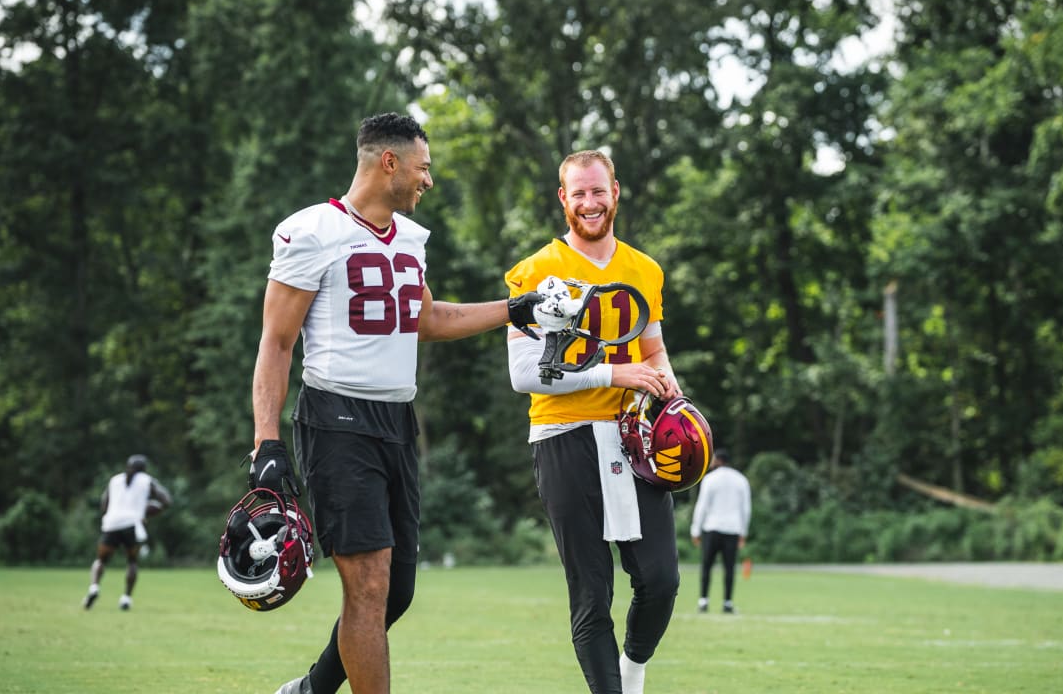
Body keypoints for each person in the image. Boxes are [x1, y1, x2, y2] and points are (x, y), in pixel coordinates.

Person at [252, 112, 546, 694]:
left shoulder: (410, 239)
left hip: (395, 420)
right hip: (336, 417)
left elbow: (427, 319)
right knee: (366, 588)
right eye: (423, 167)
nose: (428, 181)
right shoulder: (312, 231)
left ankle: (312, 688)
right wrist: (266, 440)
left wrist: (517, 307)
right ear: (390, 162)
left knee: (397, 591)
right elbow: (277, 342)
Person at [506, 149, 685, 694]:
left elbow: (652, 352)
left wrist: (669, 387)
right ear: (563, 198)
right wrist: (616, 374)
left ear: (615, 192)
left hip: (635, 439)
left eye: (598, 191)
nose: (589, 202)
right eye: (578, 193)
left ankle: (632, 670)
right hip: (563, 436)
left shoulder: (645, 269)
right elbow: (522, 373)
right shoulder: (535, 271)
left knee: (660, 580)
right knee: (591, 594)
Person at [82, 454, 171, 611]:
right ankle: (126, 598)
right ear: (144, 468)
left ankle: (94, 587)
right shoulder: (146, 480)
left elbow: (104, 506)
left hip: (111, 524)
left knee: (101, 560)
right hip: (131, 525)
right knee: (132, 562)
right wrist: (146, 511)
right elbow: (166, 500)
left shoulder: (115, 480)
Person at [689, 448, 751, 614]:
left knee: (707, 566)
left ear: (717, 460)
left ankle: (703, 601)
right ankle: (728, 602)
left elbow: (701, 506)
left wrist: (695, 529)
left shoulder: (709, 479)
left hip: (712, 528)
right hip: (732, 529)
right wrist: (743, 532)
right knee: (729, 567)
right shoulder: (741, 480)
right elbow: (746, 509)